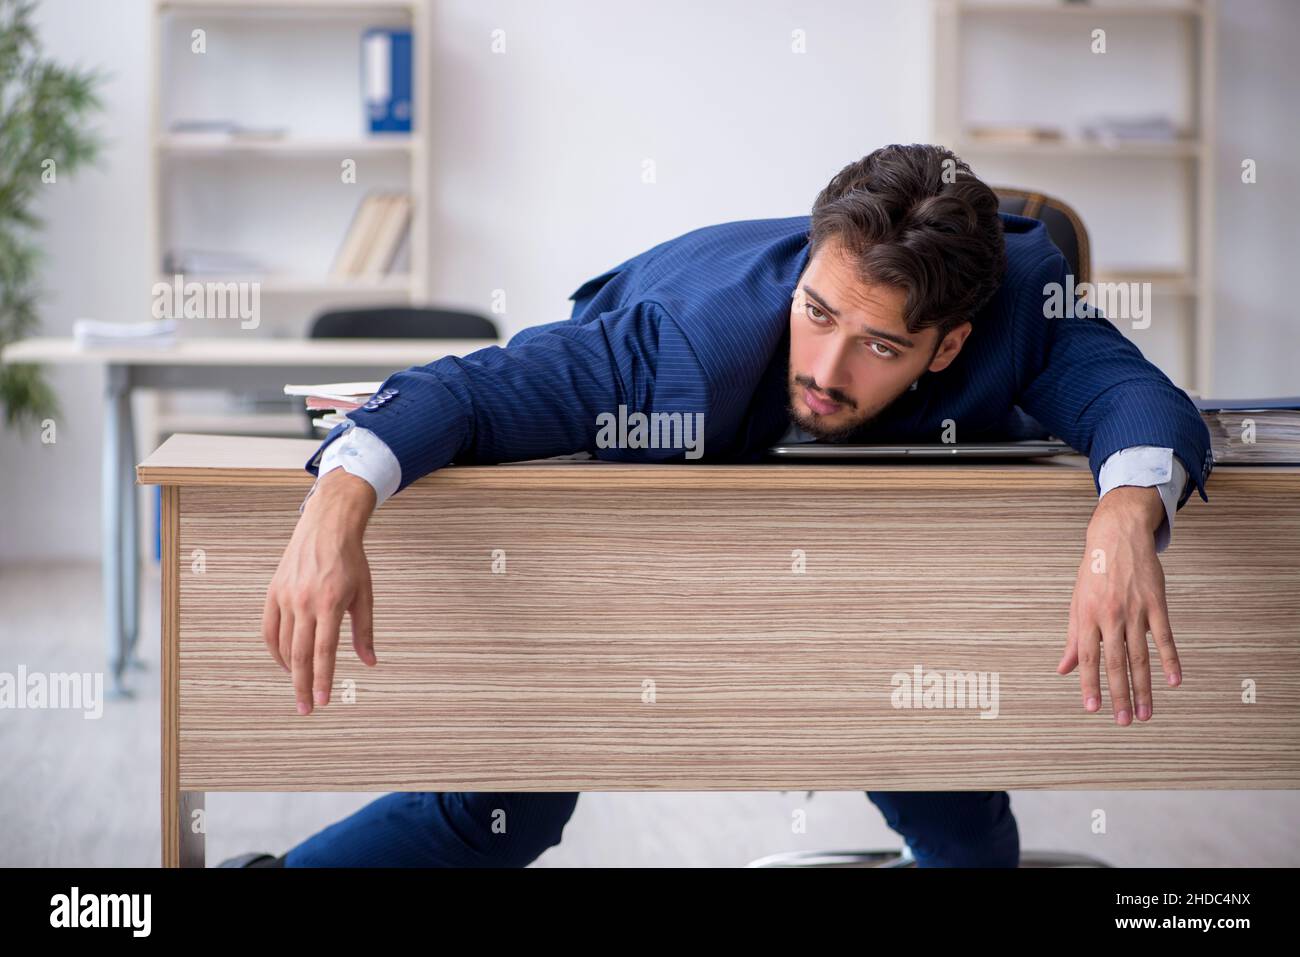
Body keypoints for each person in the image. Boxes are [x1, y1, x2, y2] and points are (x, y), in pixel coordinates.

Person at [231, 144, 1212, 868]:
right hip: (646, 499)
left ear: (946, 347)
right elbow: (463, 390)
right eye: (817, 315)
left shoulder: (1021, 297)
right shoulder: (679, 347)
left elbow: (1139, 401)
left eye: (877, 345)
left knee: (952, 803)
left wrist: (1123, 520)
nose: (823, 370)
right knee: (506, 806)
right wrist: (333, 509)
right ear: (800, 276)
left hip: (868, 551)